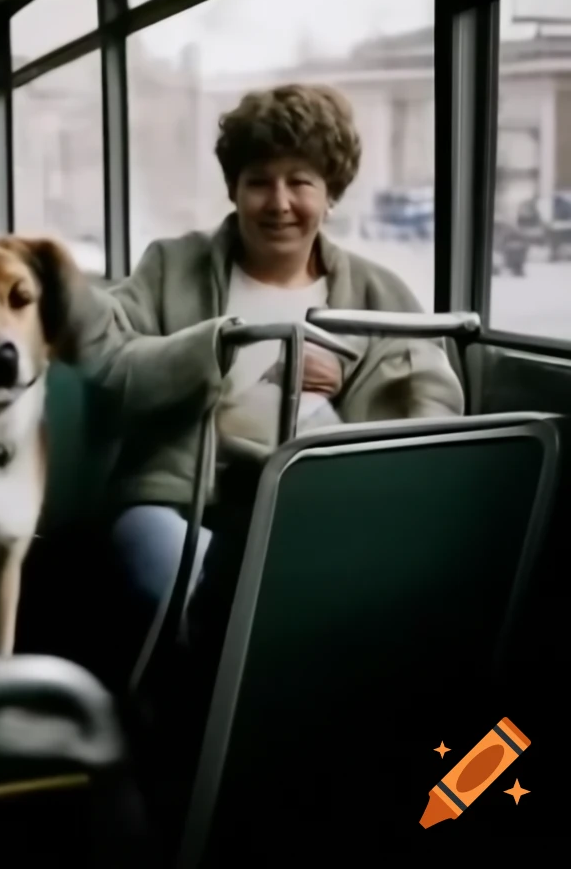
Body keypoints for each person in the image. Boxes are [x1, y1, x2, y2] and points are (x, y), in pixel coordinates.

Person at [61, 83, 464, 687]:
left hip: (317, 508)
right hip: (182, 498)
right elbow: (112, 363)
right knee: (191, 599)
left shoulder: (378, 294)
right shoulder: (172, 266)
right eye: (259, 181)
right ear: (234, 190)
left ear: (330, 195)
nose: (279, 202)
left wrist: (348, 397)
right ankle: (185, 744)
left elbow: (432, 411)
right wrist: (220, 348)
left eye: (300, 181)